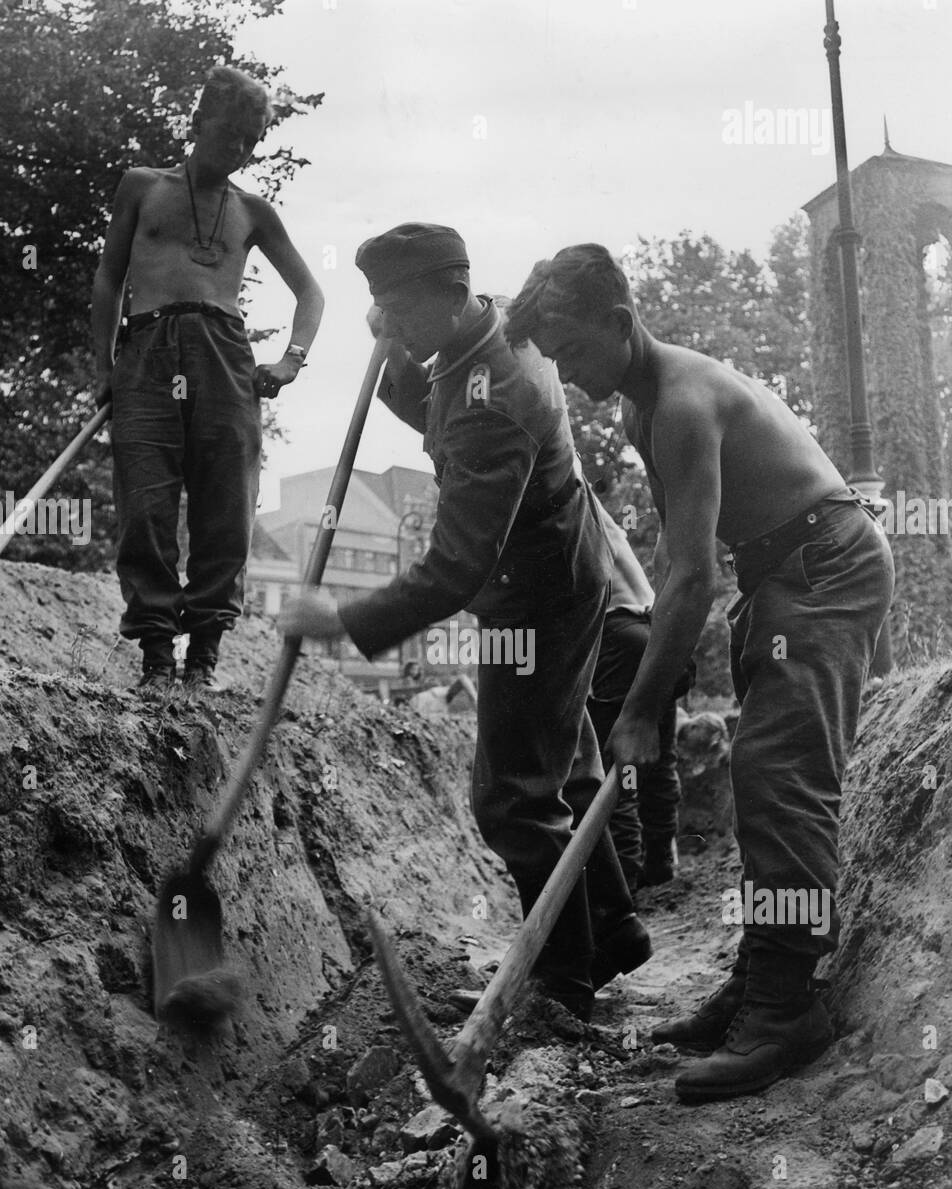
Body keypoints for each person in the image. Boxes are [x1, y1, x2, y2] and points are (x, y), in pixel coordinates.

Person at [505, 243, 894, 1098]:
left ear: (617, 321)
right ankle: (761, 982)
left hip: (824, 566)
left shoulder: (679, 400)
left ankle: (786, 1012)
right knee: (767, 778)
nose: (564, 373)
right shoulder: (641, 407)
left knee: (779, 782)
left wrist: (642, 710)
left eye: (569, 348)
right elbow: (687, 556)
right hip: (781, 572)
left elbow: (690, 575)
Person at [280, 223, 650, 1022]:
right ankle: (611, 932)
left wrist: (340, 617)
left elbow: (455, 566)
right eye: (382, 312)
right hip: (560, 562)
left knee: (513, 798)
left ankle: (561, 984)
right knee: (568, 764)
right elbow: (442, 413)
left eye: (402, 314)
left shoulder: (497, 391)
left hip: (536, 588)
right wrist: (395, 361)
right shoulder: (483, 331)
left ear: (451, 296)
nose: (394, 329)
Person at [92, 66, 324, 693]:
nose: (240, 151)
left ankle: (203, 660)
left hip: (224, 355)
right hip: (146, 350)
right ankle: (158, 658)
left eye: (251, 140)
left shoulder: (254, 210)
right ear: (197, 124)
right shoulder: (141, 187)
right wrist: (104, 368)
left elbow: (309, 291)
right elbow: (110, 279)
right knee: (145, 504)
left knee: (226, 508)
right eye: (230, 135)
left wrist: (291, 359)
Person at [587, 506, 684, 903]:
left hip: (618, 635)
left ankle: (621, 891)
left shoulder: (548, 498)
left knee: (616, 769)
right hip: (657, 628)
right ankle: (660, 866)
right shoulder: (595, 508)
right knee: (659, 758)